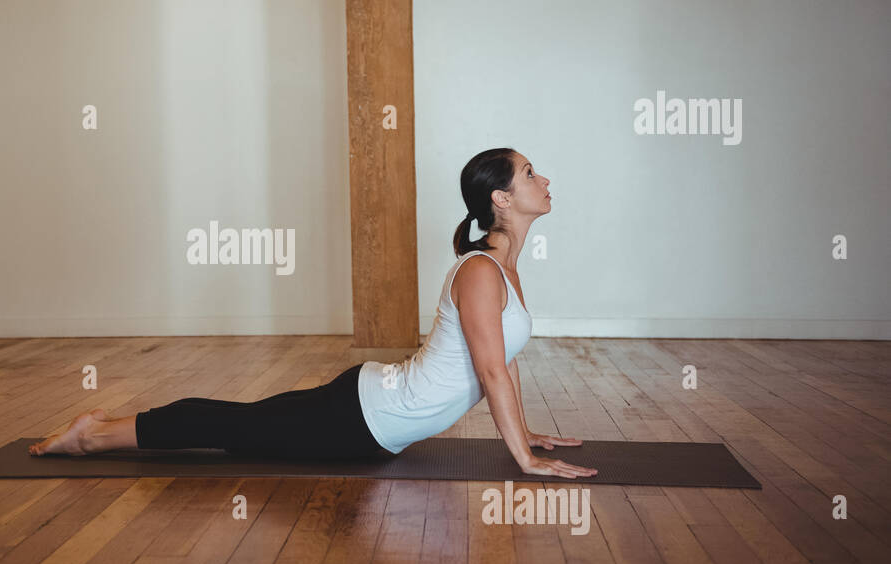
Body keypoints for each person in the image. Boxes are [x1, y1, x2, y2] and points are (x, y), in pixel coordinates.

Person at [31, 148, 596, 479]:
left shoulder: (503, 269)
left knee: (241, 422)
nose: (543, 180)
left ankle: (101, 428)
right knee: (234, 429)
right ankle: (93, 437)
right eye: (529, 174)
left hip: (372, 413)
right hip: (363, 418)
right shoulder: (479, 271)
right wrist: (523, 459)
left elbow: (505, 357)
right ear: (500, 197)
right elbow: (491, 371)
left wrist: (525, 432)